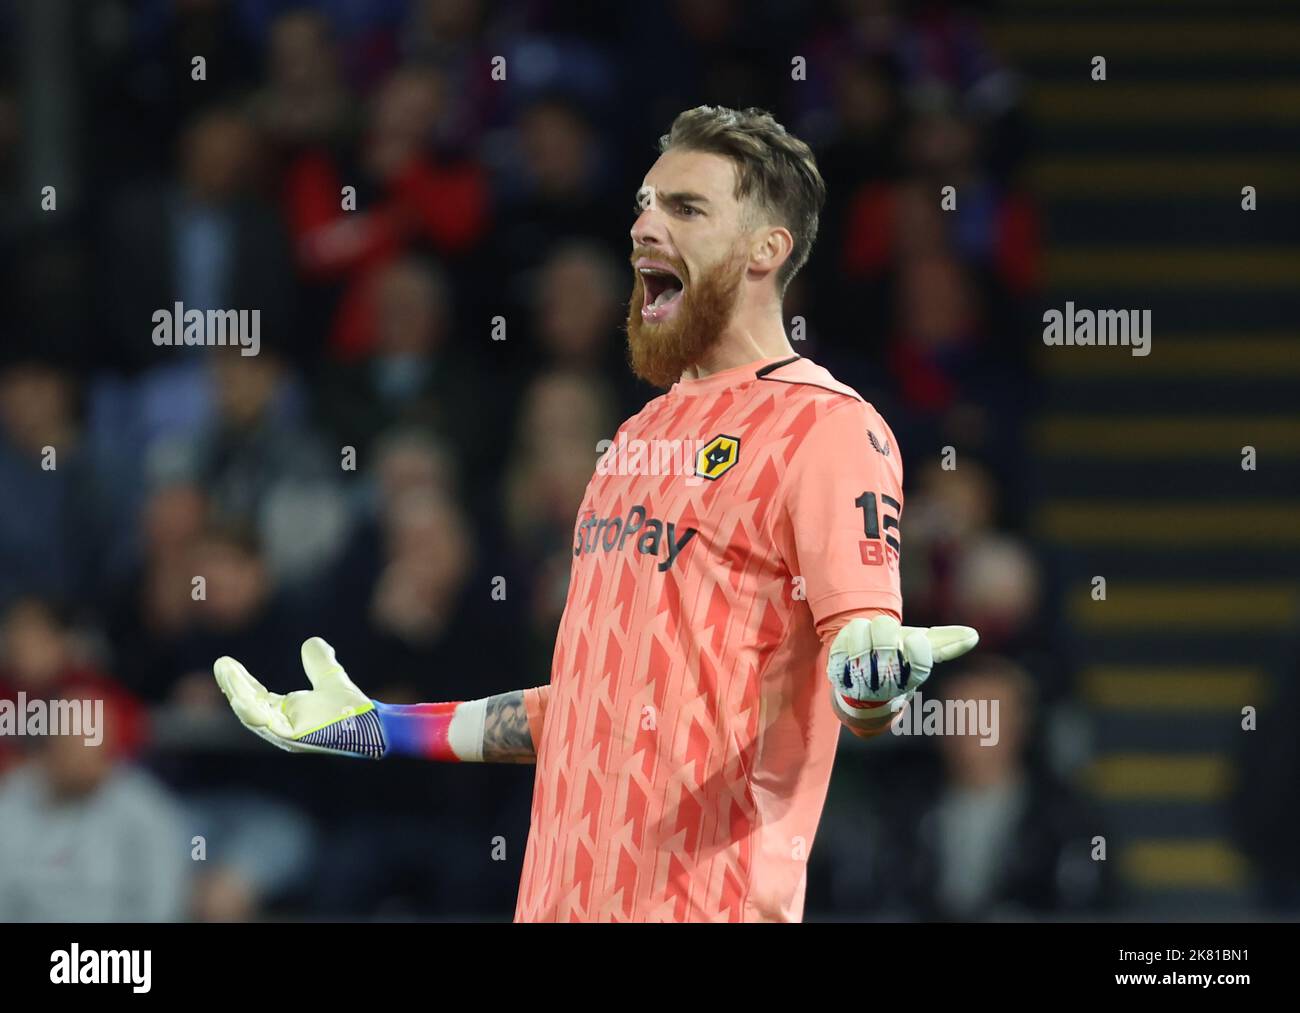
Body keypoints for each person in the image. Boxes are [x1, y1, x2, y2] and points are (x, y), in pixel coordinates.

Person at [214, 106, 977, 923]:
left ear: (767, 249)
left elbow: (865, 666)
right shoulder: (634, 440)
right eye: (645, 204)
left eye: (686, 208)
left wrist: (871, 680)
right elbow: (585, 711)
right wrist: (381, 727)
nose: (646, 226)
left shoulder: (826, 428)